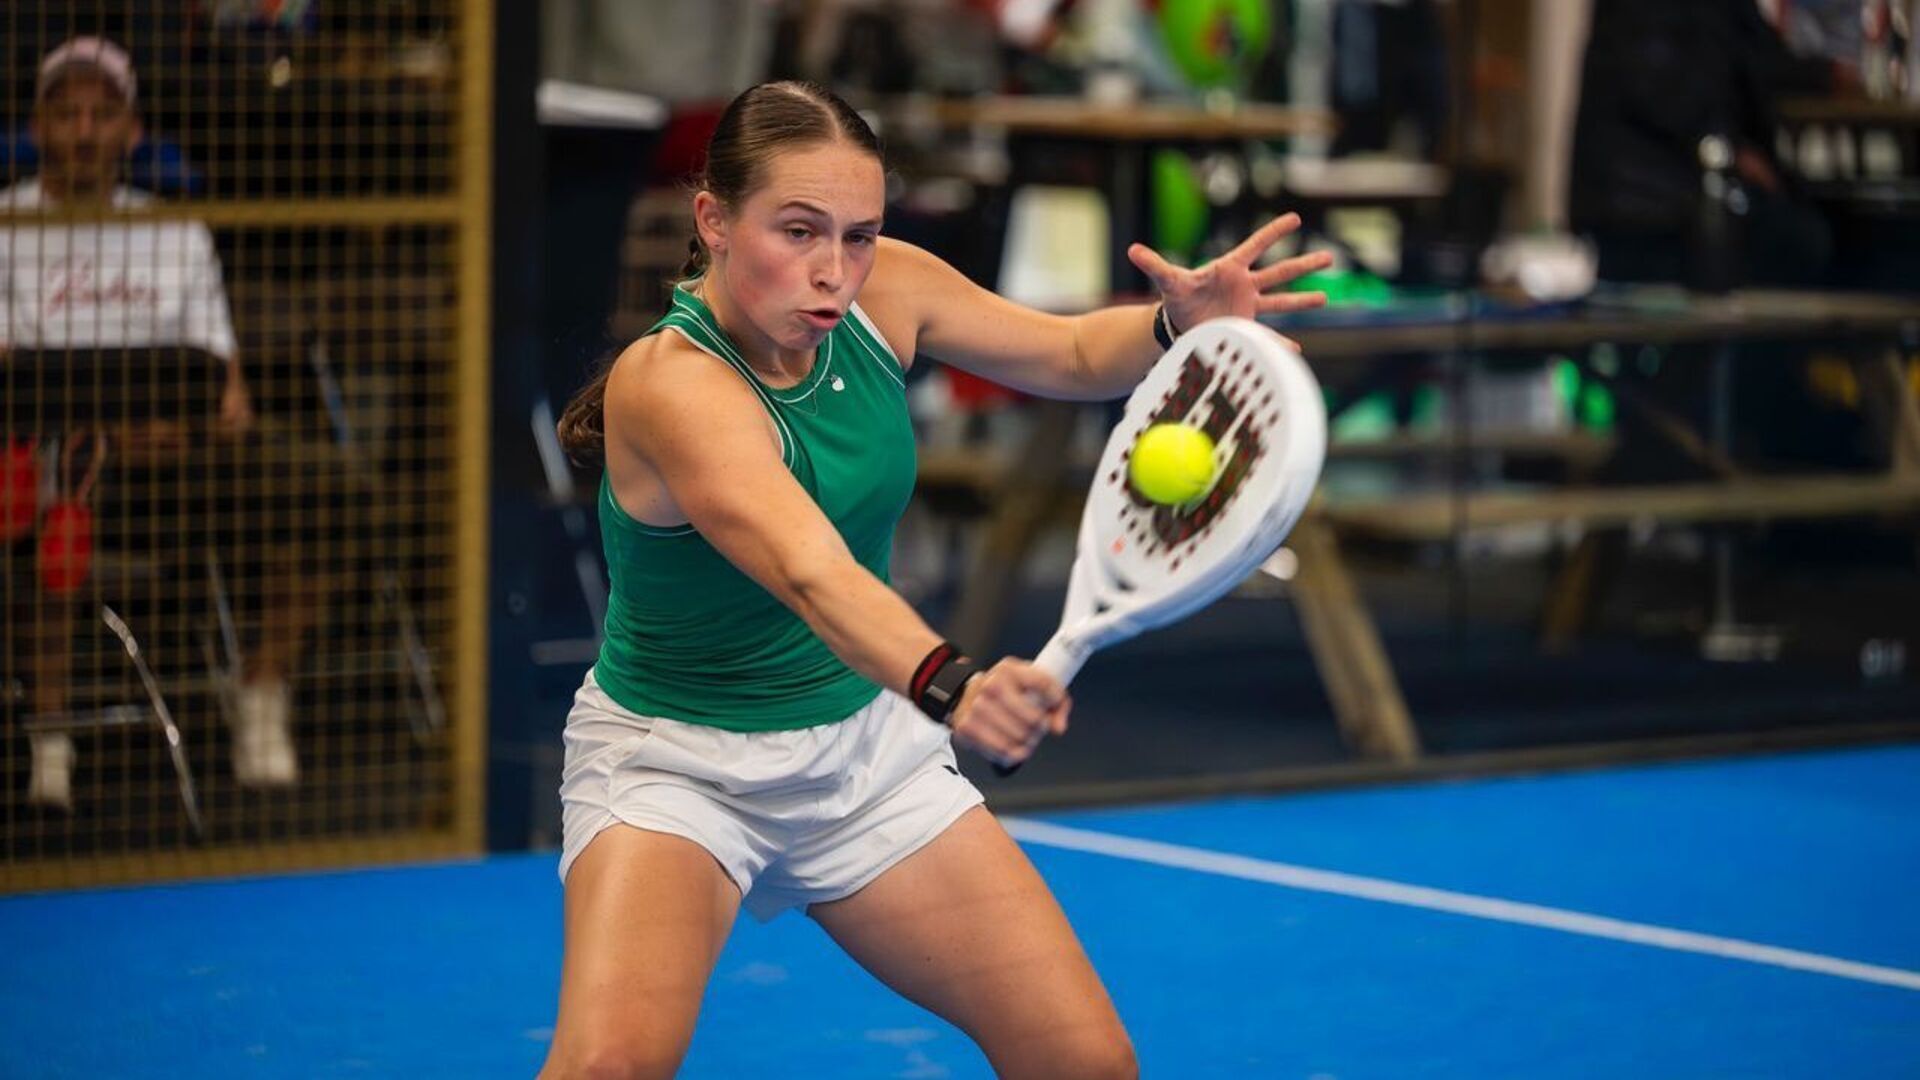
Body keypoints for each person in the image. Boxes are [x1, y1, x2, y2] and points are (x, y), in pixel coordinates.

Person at [542, 80, 1330, 1079]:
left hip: (862, 761)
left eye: (860, 235)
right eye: (799, 231)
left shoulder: (887, 292)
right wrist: (953, 684)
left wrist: (1177, 326)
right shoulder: (671, 385)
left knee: (1086, 1063)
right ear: (716, 221)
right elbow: (811, 569)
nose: (834, 270)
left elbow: (1076, 349)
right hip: (677, 768)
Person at [1, 37, 316, 805]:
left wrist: (217, 415)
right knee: (49, 493)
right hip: (59, 455)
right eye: (66, 113)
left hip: (182, 456)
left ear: (130, 132)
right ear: (37, 127)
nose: (84, 130)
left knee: (329, 488)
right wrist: (105, 426)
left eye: (102, 114)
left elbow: (224, 378)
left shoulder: (175, 229)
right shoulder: (7, 224)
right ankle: (51, 739)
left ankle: (263, 686)